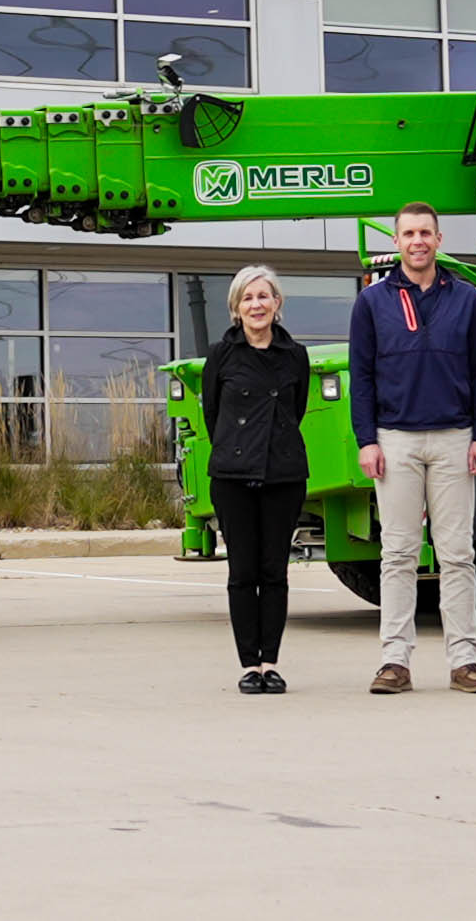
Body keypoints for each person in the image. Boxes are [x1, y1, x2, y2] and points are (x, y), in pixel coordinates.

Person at [349, 203, 476, 694]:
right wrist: (366, 440)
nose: (417, 241)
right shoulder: (372, 302)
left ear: (439, 239)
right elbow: (362, 377)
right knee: (398, 554)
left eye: (425, 233)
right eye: (408, 233)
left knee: (457, 554)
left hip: (455, 438)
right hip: (396, 440)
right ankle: (395, 661)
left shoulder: (467, 298)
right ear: (396, 242)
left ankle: (464, 661)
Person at [198, 264, 314, 694]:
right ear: (236, 308)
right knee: (242, 573)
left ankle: (271, 662)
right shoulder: (222, 355)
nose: (256, 305)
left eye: (263, 296)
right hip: (232, 475)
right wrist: (235, 450)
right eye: (247, 298)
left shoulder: (295, 355)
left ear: (277, 304)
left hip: (283, 474)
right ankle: (249, 664)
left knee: (275, 572)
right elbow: (213, 414)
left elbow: (294, 409)